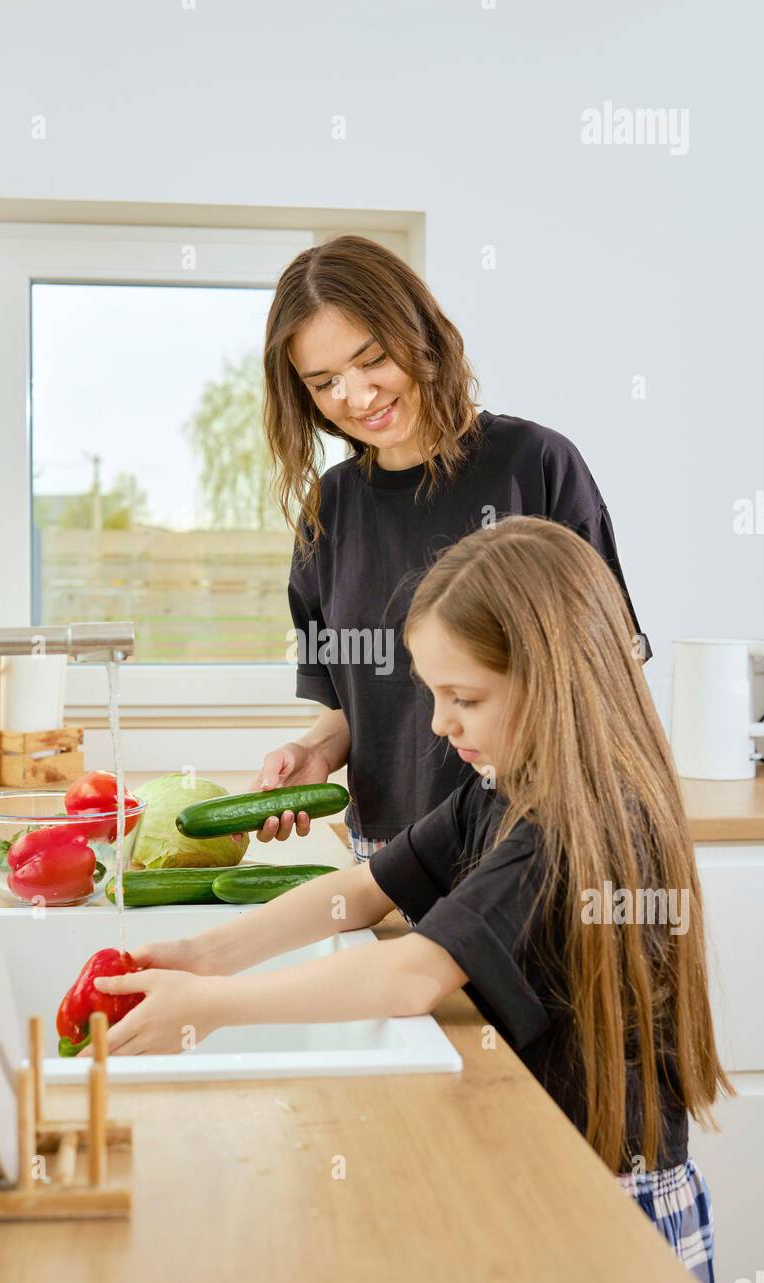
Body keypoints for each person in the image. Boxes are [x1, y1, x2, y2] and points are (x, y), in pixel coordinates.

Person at [92, 515, 732, 1283]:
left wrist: (215, 1005)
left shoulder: (574, 830)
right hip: (548, 1175)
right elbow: (361, 892)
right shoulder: (499, 792)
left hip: (609, 1211)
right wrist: (201, 955)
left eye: (463, 696)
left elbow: (412, 977)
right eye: (433, 693)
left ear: (555, 680)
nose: (439, 722)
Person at [241, 235, 650, 881]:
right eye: (325, 383)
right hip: (390, 855)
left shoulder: (536, 465)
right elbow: (353, 706)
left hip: (537, 842)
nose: (358, 395)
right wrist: (314, 752)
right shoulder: (331, 509)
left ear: (419, 334)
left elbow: (611, 678)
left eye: (372, 359)